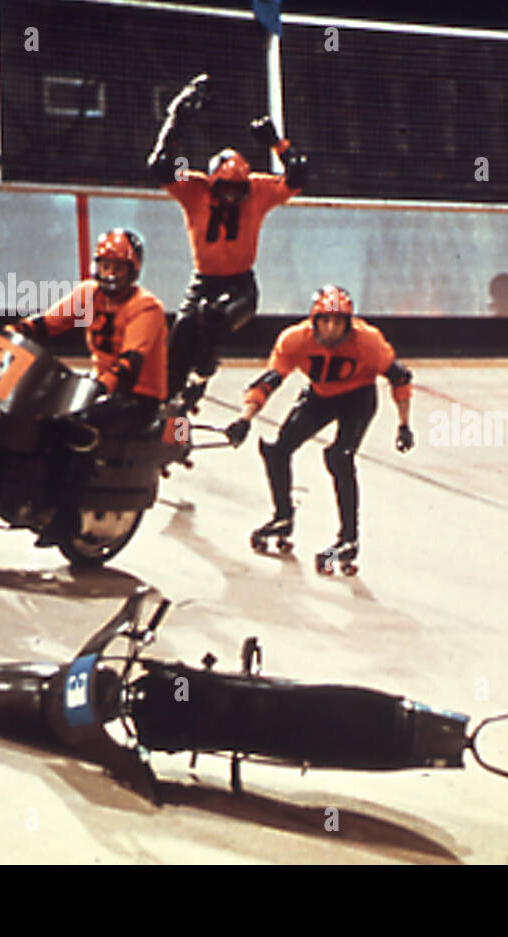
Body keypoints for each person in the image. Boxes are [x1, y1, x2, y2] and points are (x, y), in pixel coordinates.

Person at [147, 73, 309, 412]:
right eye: (226, 189)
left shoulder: (258, 191)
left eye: (239, 190)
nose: (234, 197)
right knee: (177, 347)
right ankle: (169, 412)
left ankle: (200, 380)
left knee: (214, 316)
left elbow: (299, 177)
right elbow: (160, 165)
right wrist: (177, 118)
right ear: (212, 184)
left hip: (240, 288)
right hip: (203, 282)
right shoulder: (195, 189)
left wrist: (278, 144)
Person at [223, 285, 414, 569]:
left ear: (349, 324)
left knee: (339, 456)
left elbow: (399, 377)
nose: (332, 330)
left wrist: (403, 425)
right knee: (277, 449)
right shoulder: (295, 340)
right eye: (325, 322)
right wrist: (244, 418)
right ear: (314, 322)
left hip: (358, 398)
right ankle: (283, 516)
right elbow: (268, 381)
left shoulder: (368, 342)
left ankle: (348, 538)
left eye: (339, 323)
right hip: (320, 395)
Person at [13, 229, 167, 544]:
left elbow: (129, 363)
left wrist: (99, 389)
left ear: (133, 270)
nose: (110, 274)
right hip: (101, 386)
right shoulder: (89, 294)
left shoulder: (147, 307)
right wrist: (17, 330)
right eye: (105, 266)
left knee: (78, 427)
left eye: (118, 268)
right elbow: (50, 322)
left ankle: (64, 517)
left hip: (137, 396)